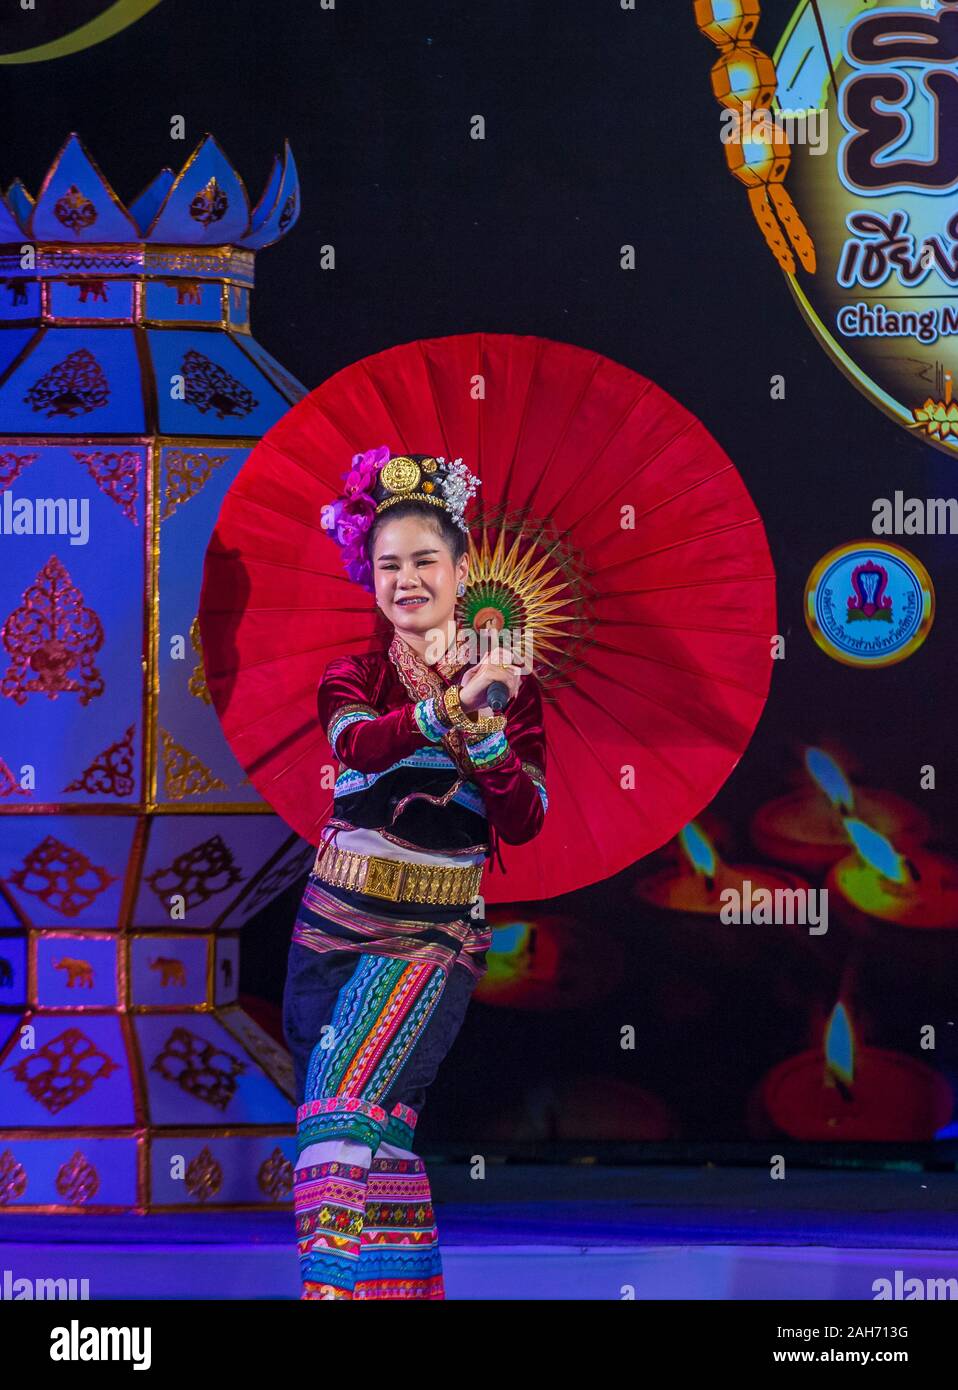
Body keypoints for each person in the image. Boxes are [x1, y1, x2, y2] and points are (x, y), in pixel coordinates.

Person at [283, 448, 548, 1300]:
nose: (406, 580)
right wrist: (450, 708)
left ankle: (326, 1293)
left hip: (431, 935)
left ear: (461, 570)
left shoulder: (510, 687)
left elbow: (526, 820)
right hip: (328, 928)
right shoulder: (352, 676)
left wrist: (492, 735)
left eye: (424, 560)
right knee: (382, 1133)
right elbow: (358, 743)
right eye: (387, 565)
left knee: (340, 1114)